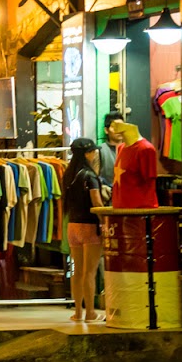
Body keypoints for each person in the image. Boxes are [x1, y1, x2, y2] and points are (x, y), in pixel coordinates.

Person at [63, 138, 106, 323]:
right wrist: (104, 220)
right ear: (87, 154)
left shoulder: (68, 175)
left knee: (78, 271)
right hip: (89, 226)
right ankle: (90, 313)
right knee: (90, 272)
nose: (95, 154)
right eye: (93, 151)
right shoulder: (90, 176)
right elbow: (96, 202)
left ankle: (78, 312)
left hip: (73, 226)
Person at [95, 111, 124, 187]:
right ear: (106, 130)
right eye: (115, 127)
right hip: (109, 192)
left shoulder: (132, 149)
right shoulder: (100, 150)